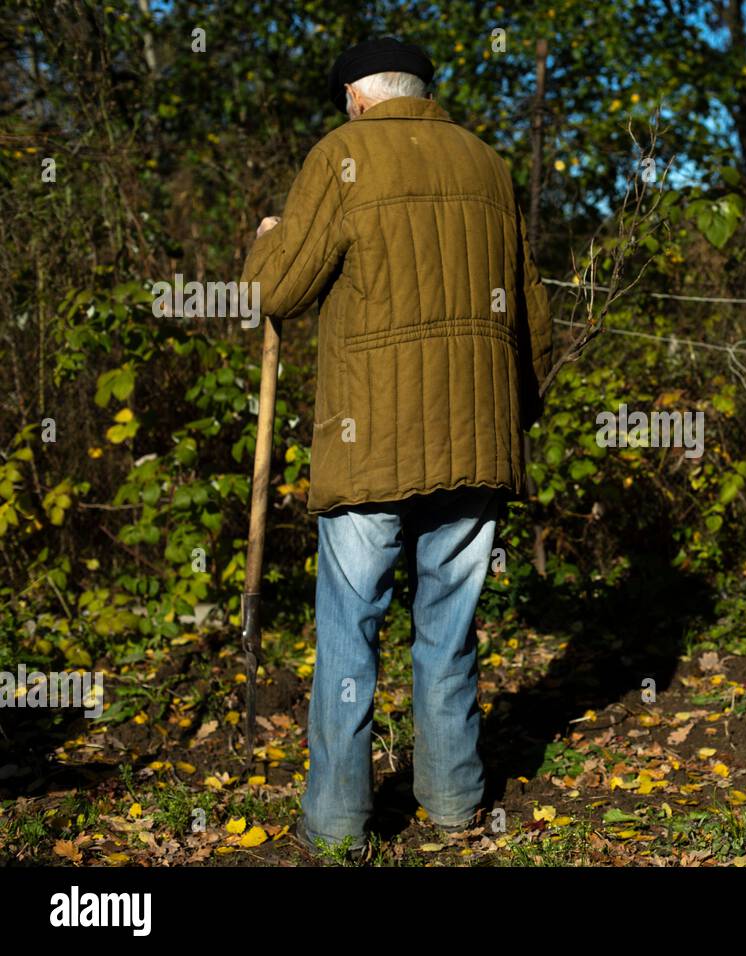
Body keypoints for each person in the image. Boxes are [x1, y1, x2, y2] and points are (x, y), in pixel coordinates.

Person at [240, 36, 553, 860]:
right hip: (477, 442)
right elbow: (531, 308)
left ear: (355, 96)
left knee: (352, 629)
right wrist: (518, 414)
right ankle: (454, 804)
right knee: (448, 630)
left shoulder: (342, 156)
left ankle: (339, 827)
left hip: (368, 443)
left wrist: (271, 236)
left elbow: (279, 290)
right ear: (420, 90)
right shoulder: (486, 163)